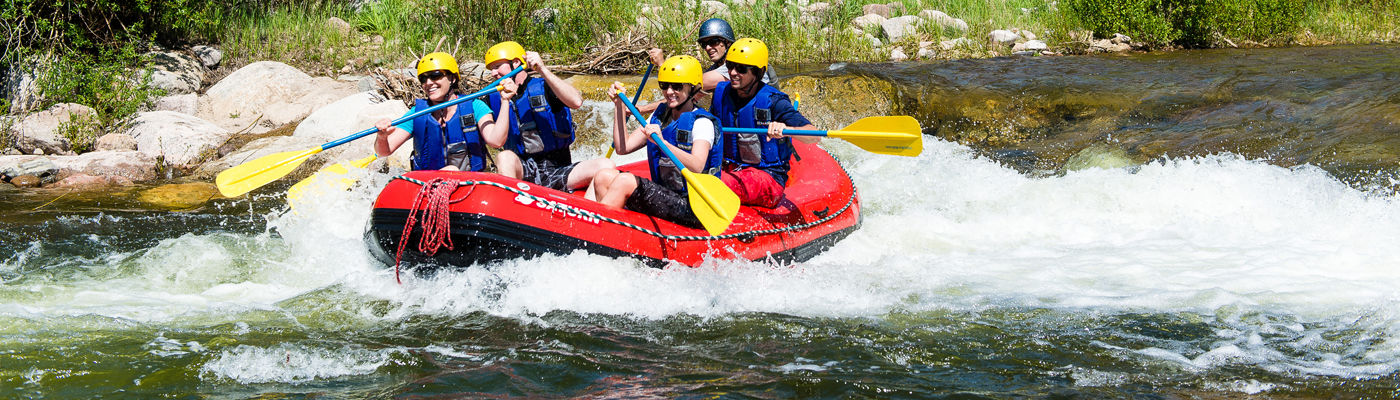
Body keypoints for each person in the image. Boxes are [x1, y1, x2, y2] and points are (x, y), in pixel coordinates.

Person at [592, 55, 722, 228]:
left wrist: (663, 143)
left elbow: (697, 165)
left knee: (625, 181)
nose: (669, 92)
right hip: (666, 195)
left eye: (677, 86)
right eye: (664, 85)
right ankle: (610, 230)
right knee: (603, 177)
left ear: (693, 88)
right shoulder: (660, 116)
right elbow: (623, 148)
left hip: (693, 205)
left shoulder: (702, 123)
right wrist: (619, 106)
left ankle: (599, 230)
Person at [480, 41, 613, 194]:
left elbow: (576, 101)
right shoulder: (490, 99)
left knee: (605, 165)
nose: (493, 73)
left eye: (497, 67)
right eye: (491, 69)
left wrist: (542, 69)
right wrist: (505, 101)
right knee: (504, 157)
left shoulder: (545, 86)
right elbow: (496, 142)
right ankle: (511, 204)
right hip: (523, 172)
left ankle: (585, 207)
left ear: (516, 63)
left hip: (558, 169)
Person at [710, 38, 819, 208]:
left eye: (741, 68)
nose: (732, 72)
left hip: (768, 177)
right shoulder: (721, 94)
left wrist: (786, 129)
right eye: (730, 66)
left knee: (716, 183)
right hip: (731, 168)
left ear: (759, 73)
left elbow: (813, 135)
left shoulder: (774, 101)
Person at [373, 52, 494, 171]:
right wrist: (382, 137)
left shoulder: (475, 106)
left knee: (452, 169)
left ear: (452, 78)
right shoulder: (417, 113)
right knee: (450, 169)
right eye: (423, 79)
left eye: (435, 75)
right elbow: (384, 152)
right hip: (429, 181)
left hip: (471, 180)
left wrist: (503, 101)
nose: (428, 83)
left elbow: (495, 141)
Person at [637, 18, 775, 116]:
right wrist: (643, 109)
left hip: (762, 116)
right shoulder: (715, 70)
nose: (708, 48)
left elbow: (684, 82)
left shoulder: (736, 68)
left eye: (713, 42)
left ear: (727, 43)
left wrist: (662, 64)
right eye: (704, 44)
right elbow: (683, 95)